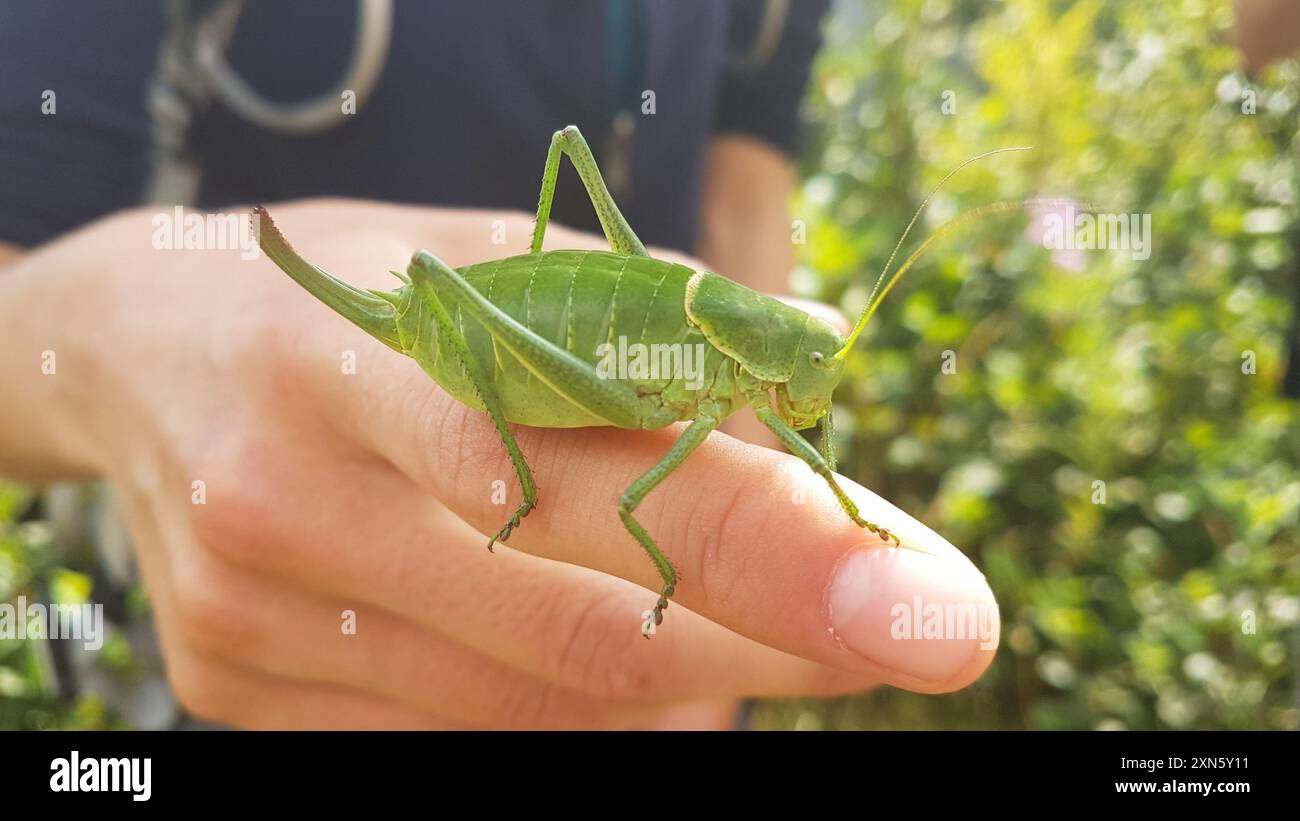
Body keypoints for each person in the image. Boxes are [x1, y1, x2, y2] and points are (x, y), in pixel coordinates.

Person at [0, 1, 998, 729]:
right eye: (814, 362)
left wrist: (730, 624)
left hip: (647, 660)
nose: (816, 381)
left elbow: (742, 199)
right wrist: (108, 337)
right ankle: (508, 446)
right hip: (294, 660)